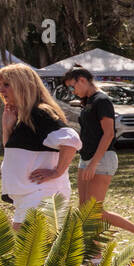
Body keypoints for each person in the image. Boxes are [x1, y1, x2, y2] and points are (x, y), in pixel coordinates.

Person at [62, 64, 134, 238]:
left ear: (83, 80)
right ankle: (94, 254)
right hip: (86, 158)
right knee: (84, 210)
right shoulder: (87, 102)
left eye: (73, 86)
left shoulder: (101, 100)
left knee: (94, 211)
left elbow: (108, 134)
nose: (72, 91)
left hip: (102, 160)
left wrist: (94, 163)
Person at [0, 62, 81, 224]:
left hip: (40, 193)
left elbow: (71, 140)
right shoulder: (25, 116)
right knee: (35, 247)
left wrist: (57, 172)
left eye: (7, 85)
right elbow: (12, 154)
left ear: (23, 86)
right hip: (29, 194)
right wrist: (7, 129)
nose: (2, 90)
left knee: (28, 246)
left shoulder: (40, 113)